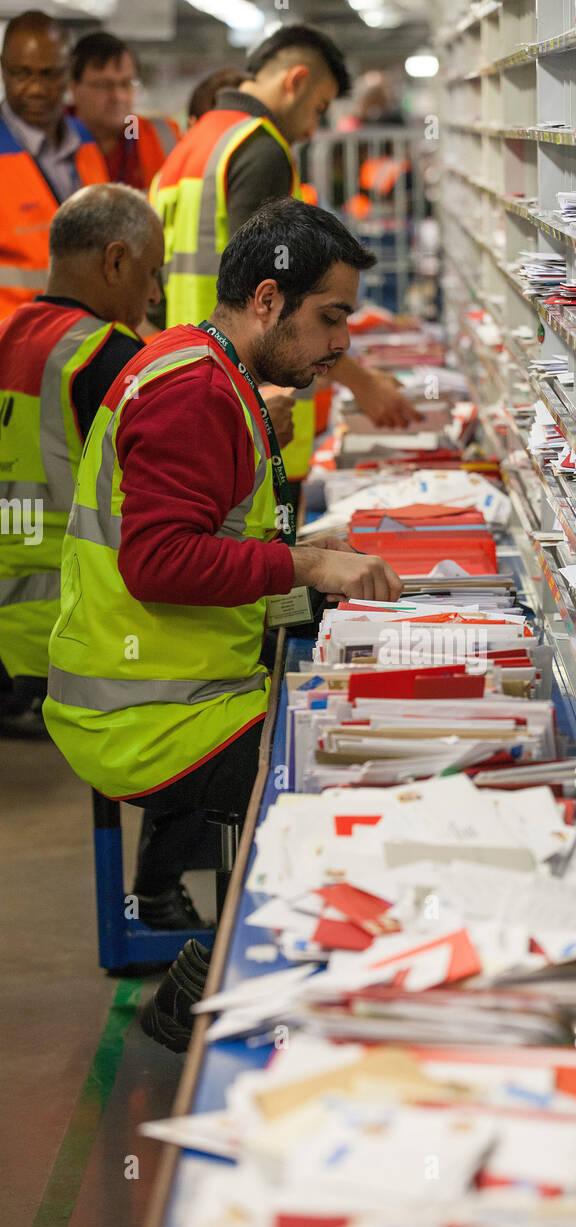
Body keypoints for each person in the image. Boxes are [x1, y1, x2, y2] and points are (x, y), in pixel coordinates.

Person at [43, 199, 402, 1049]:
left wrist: (302, 548)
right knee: (326, 790)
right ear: (269, 301)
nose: (342, 344)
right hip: (146, 714)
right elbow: (160, 561)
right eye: (331, 318)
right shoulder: (196, 392)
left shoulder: (203, 367)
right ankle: (211, 997)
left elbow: (209, 536)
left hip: (180, 685)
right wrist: (307, 565)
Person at [150, 23, 420, 495]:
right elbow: (278, 300)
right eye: (317, 108)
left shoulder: (191, 147)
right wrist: (360, 382)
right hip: (245, 391)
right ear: (295, 80)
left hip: (187, 381)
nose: (314, 128)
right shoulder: (260, 147)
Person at [0, 184, 163, 739]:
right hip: (68, 637)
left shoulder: (9, 335)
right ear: (116, 261)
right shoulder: (110, 356)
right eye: (151, 273)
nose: (154, 293)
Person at [0, 10, 107, 321]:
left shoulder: (85, 139)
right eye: (22, 74)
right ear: (4, 70)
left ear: (68, 72)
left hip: (81, 336)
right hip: (12, 344)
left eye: (49, 74)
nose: (35, 89)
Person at [68, 31, 180, 193]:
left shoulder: (164, 136)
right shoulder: (50, 141)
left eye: (126, 84)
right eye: (103, 85)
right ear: (73, 87)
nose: (118, 96)